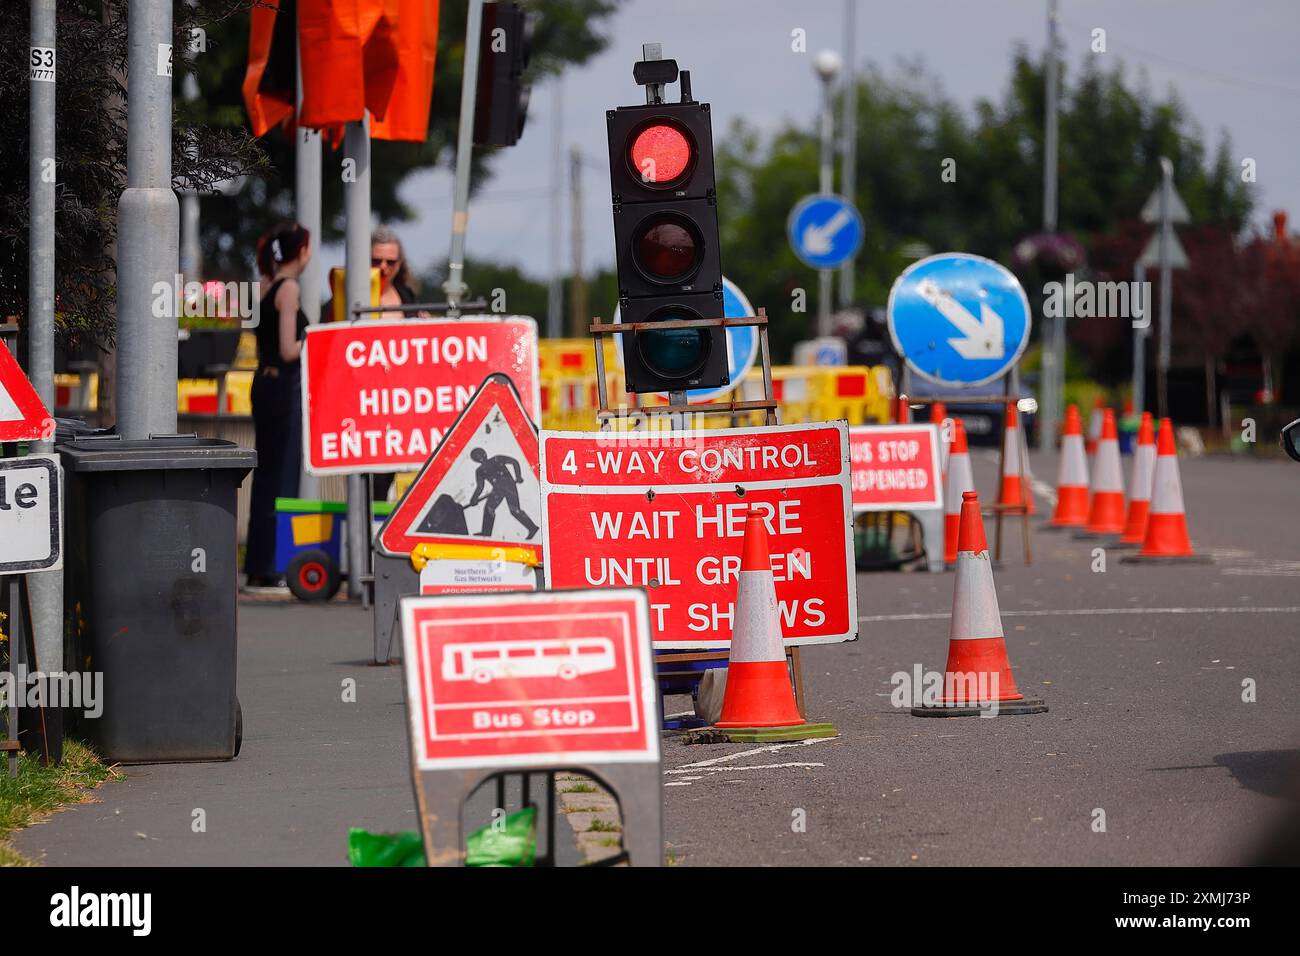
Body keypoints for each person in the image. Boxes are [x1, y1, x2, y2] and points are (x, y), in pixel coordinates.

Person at [244, 223, 312, 589]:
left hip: (262, 383)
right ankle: (271, 566)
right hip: (283, 386)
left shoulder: (265, 285)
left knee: (268, 476)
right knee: (283, 475)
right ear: (302, 251)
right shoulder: (288, 289)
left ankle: (259, 563)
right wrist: (318, 339)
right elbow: (289, 349)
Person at [467, 447, 539, 540]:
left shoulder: (497, 459)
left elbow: (514, 462)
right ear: (476, 460)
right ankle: (486, 532)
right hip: (498, 490)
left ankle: (532, 528)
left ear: (484, 453)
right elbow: (480, 487)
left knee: (514, 510)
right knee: (489, 508)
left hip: (509, 486)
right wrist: (474, 498)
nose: (480, 458)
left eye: (480, 455)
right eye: (477, 457)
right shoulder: (480, 470)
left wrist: (518, 476)